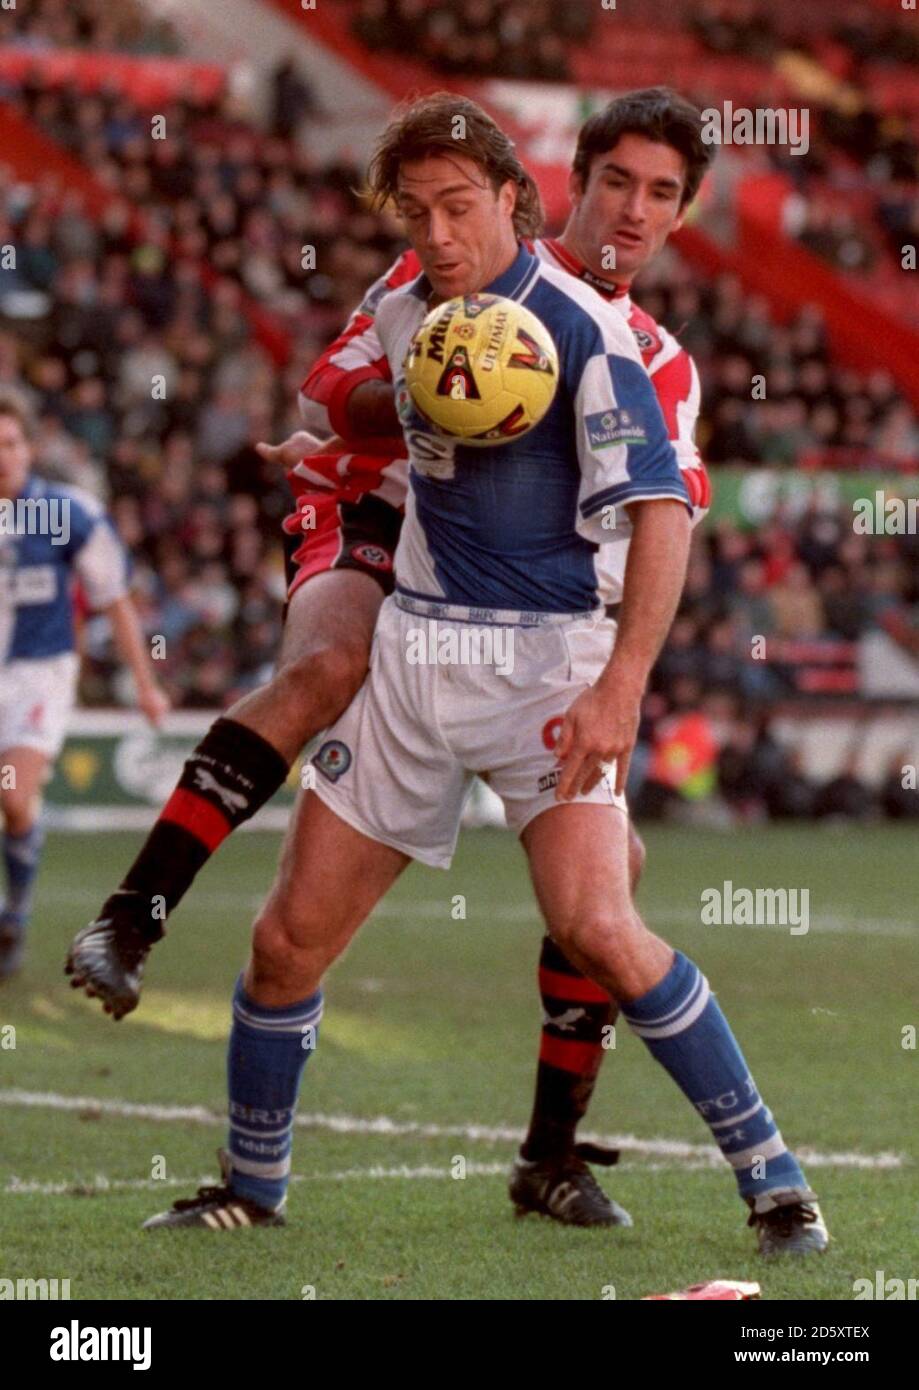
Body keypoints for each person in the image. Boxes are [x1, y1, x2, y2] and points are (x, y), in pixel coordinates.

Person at [124, 93, 825, 1255]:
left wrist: (619, 685)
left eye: (661, 194)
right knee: (289, 935)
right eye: (617, 183)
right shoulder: (422, 288)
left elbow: (661, 515)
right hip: (416, 638)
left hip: (557, 659)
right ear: (560, 185)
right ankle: (252, 1181)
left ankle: (761, 1180)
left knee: (600, 916)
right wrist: (354, 439)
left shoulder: (639, 356)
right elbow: (345, 392)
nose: (633, 212)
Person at [0, 390, 169, 980]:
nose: (3, 457)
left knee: (14, 798)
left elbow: (115, 602)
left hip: (35, 676)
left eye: (11, 443)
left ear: (30, 447)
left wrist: (145, 685)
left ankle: (14, 916)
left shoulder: (67, 513)